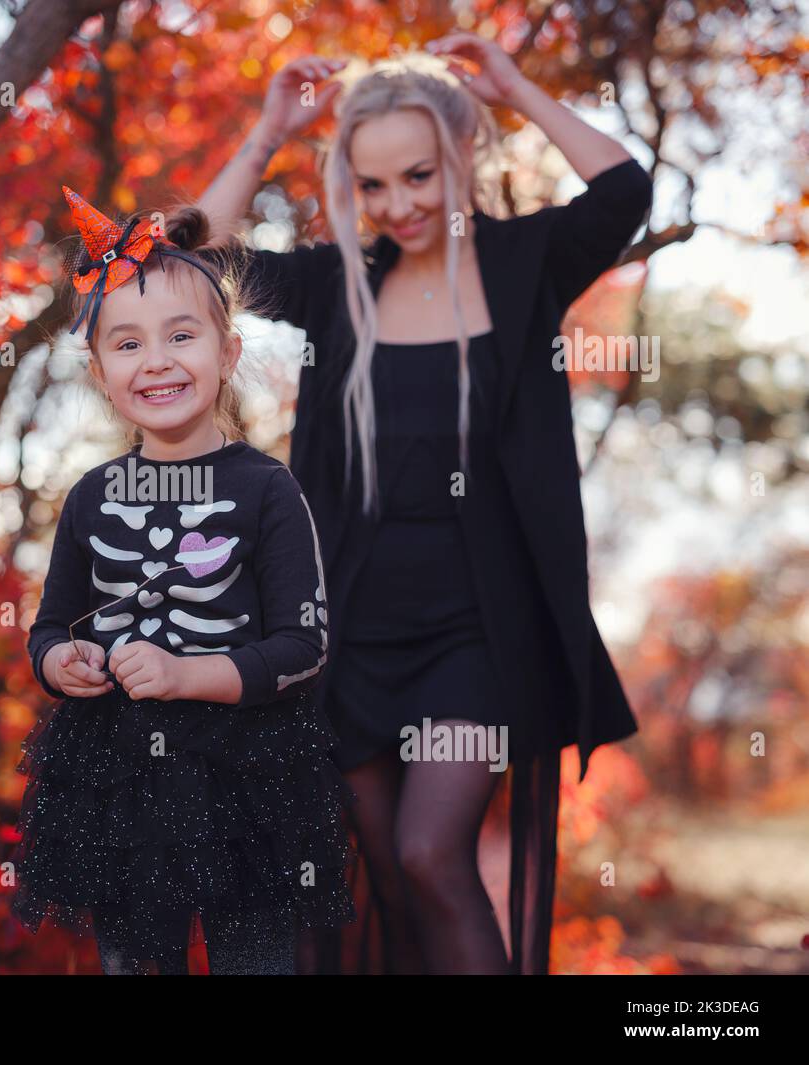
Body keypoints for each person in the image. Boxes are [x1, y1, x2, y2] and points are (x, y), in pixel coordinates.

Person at [194, 35, 652, 973]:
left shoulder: (526, 264)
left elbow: (624, 191)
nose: (398, 204)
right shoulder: (339, 286)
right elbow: (193, 262)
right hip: (348, 632)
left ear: (461, 155)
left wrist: (516, 87)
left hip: (476, 634)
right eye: (372, 185)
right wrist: (269, 130)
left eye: (418, 175)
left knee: (428, 854)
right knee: (386, 879)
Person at [10, 186, 356, 974]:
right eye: (127, 343)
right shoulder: (90, 497)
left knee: (254, 959)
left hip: (248, 769)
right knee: (133, 961)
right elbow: (50, 626)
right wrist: (61, 662)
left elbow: (304, 647)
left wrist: (184, 673)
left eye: (181, 335)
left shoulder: (268, 489)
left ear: (227, 353)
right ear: (100, 370)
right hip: (120, 770)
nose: (157, 359)